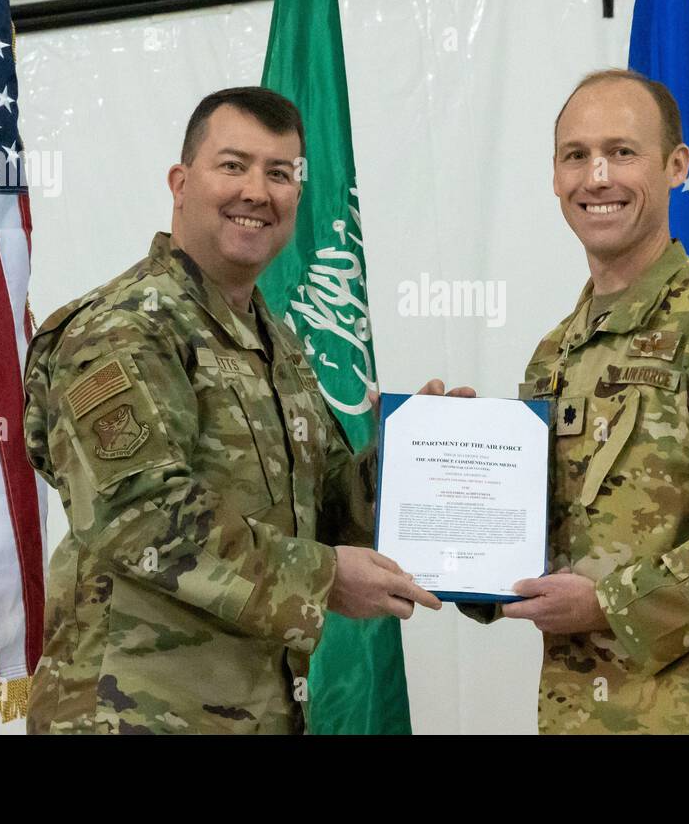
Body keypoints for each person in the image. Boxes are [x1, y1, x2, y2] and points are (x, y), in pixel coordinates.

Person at [23, 86, 452, 734]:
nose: (257, 190)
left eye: (279, 173)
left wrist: (408, 459)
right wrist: (327, 579)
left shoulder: (273, 341)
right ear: (180, 181)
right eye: (234, 165)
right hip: (131, 716)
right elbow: (142, 519)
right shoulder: (124, 328)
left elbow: (325, 505)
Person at [462, 69, 689, 734]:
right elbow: (533, 550)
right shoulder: (555, 355)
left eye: (622, 152)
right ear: (554, 176)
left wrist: (614, 604)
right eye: (575, 156)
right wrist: (438, 478)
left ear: (676, 166)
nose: (597, 177)